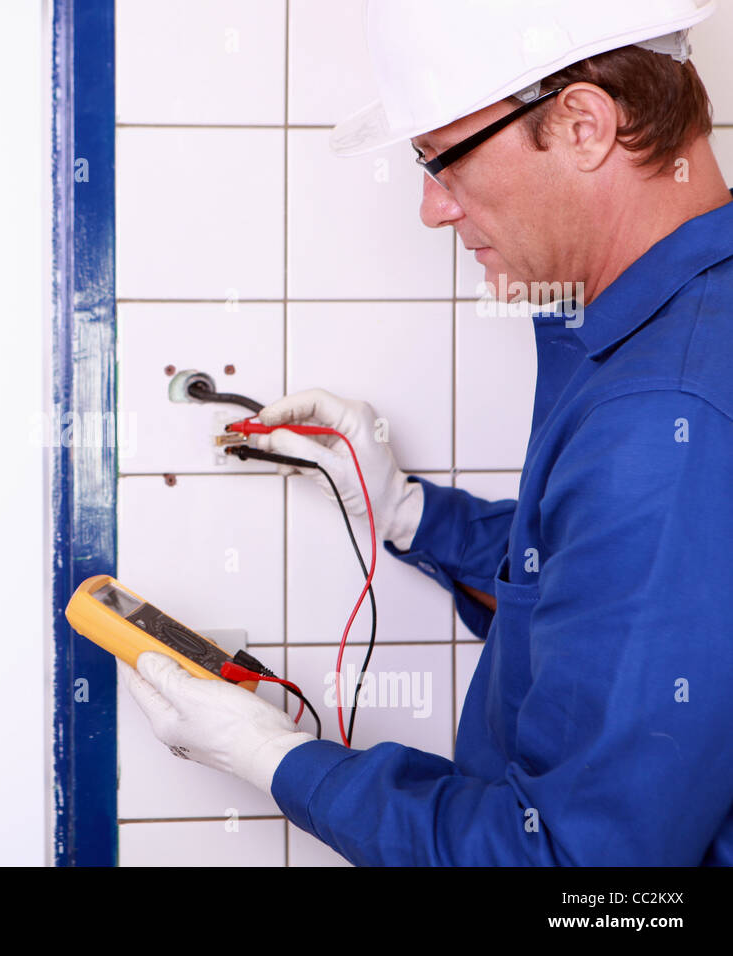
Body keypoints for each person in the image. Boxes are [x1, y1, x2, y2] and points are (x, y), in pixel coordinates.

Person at [121, 0, 733, 865]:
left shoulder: (668, 412)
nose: (430, 210)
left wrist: (281, 762)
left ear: (585, 124)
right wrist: (407, 513)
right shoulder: (655, 336)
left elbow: (583, 874)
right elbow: (600, 596)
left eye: (442, 161)